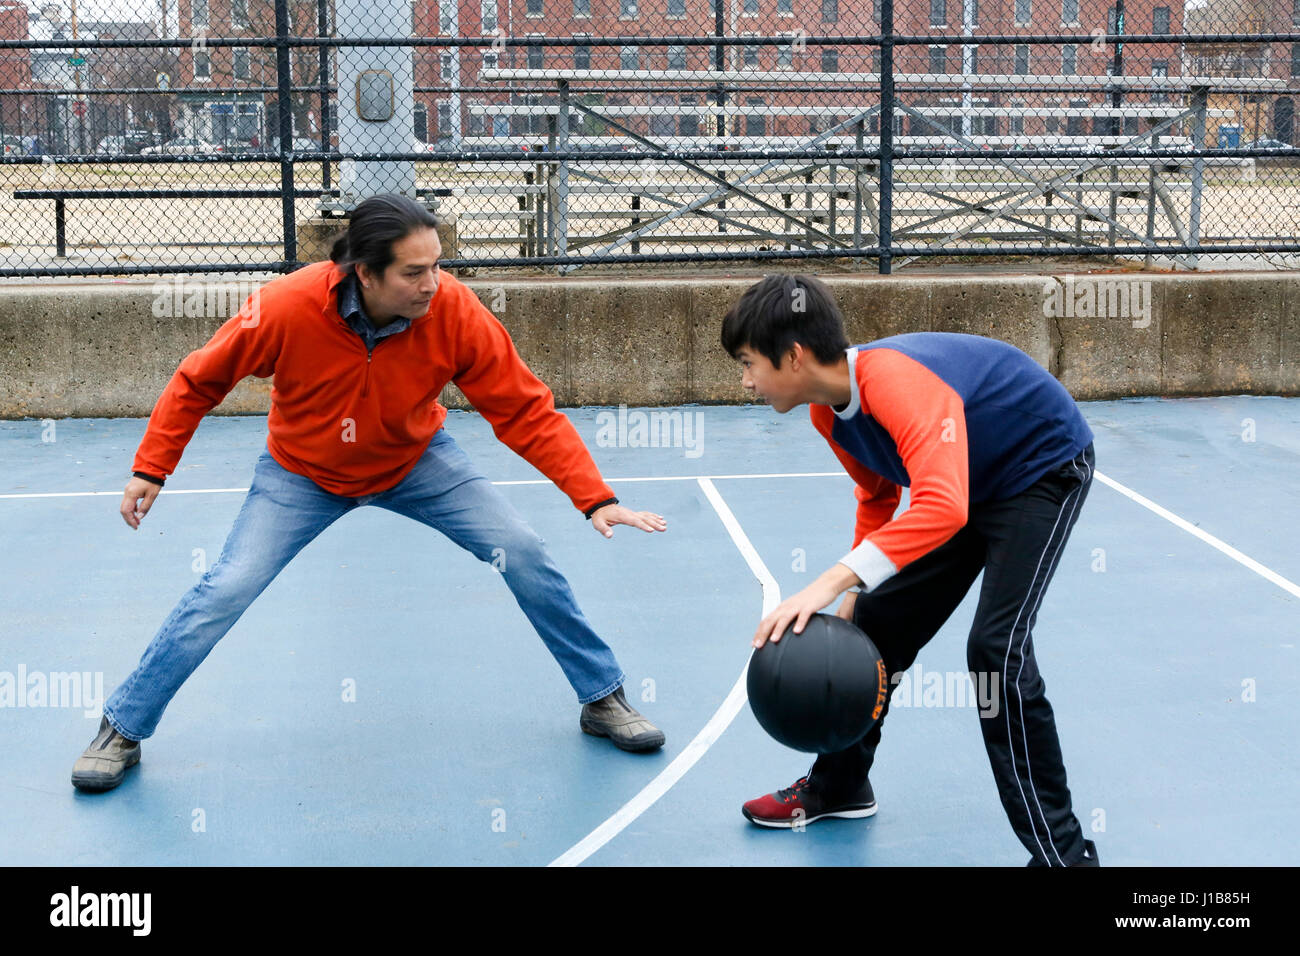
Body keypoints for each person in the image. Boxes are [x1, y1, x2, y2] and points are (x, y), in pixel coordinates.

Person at [72, 193, 667, 793]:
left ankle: (602, 698)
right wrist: (152, 467)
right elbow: (198, 380)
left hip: (416, 461)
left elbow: (522, 408)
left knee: (525, 551)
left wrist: (593, 496)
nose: (433, 282)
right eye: (414, 272)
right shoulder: (285, 307)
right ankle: (121, 728)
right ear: (365, 271)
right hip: (301, 473)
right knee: (225, 586)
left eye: (437, 264)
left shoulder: (454, 309)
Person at [722, 274, 1099, 867]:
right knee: (873, 622)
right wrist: (854, 595)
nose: (745, 380)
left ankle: (1065, 857)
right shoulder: (829, 414)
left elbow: (942, 507)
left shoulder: (895, 381)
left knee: (996, 652)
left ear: (792, 356)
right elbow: (877, 497)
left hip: (1040, 467)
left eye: (748, 363)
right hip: (966, 484)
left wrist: (830, 581)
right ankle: (840, 786)